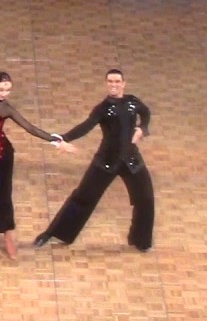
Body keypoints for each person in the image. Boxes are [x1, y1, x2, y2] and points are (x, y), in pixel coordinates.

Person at [0, 70, 72, 259]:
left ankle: (9, 235)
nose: (4, 94)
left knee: (3, 196)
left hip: (1, 156)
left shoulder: (6, 108)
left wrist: (56, 141)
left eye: (8, 91)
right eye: (1, 89)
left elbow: (30, 127)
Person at [34, 69, 155, 253]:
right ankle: (52, 232)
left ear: (123, 83)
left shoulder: (133, 101)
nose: (114, 85)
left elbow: (145, 113)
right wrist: (64, 139)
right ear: (107, 84)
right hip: (106, 161)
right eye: (110, 81)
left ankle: (141, 240)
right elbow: (85, 127)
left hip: (131, 159)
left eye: (117, 81)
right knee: (82, 198)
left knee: (145, 198)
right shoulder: (103, 108)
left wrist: (142, 128)